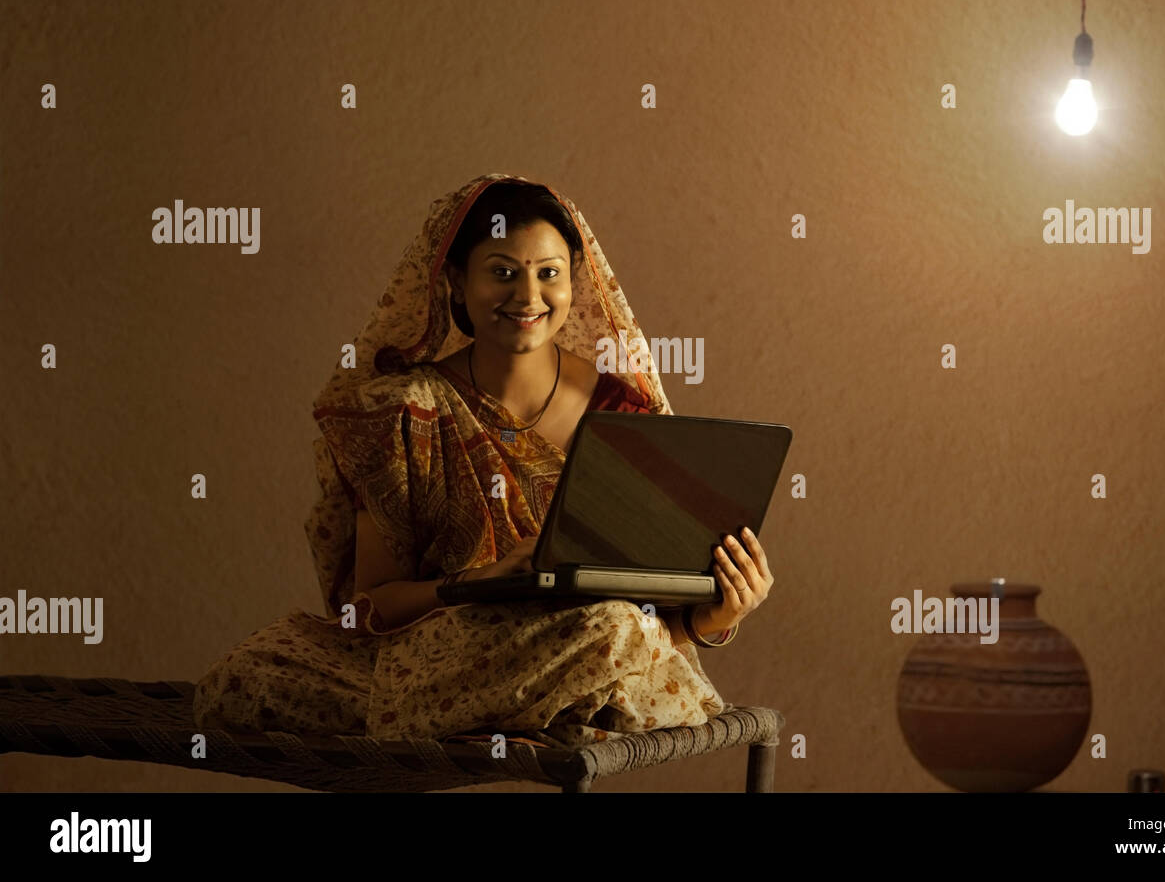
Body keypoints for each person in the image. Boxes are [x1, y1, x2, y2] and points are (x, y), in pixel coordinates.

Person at [191, 173, 775, 748]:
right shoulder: (407, 410)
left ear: (576, 281)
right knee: (247, 675)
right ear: (455, 282)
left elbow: (652, 618)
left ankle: (526, 705)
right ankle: (530, 709)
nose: (528, 297)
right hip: (446, 651)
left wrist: (715, 616)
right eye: (502, 272)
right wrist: (480, 581)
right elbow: (369, 607)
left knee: (614, 629)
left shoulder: (620, 409)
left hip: (592, 640)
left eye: (549, 274)